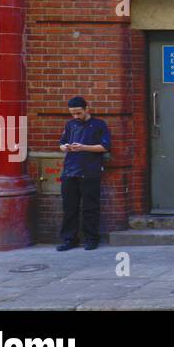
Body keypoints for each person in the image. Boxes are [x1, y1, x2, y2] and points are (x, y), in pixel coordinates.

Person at [56, 96, 111, 251]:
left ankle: (91, 239)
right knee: (69, 208)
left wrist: (83, 147)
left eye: (78, 113)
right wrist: (65, 147)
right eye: (73, 113)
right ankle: (69, 239)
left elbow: (105, 147)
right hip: (70, 170)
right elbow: (61, 144)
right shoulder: (70, 124)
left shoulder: (99, 124)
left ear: (87, 109)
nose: (76, 116)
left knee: (90, 207)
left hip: (90, 171)